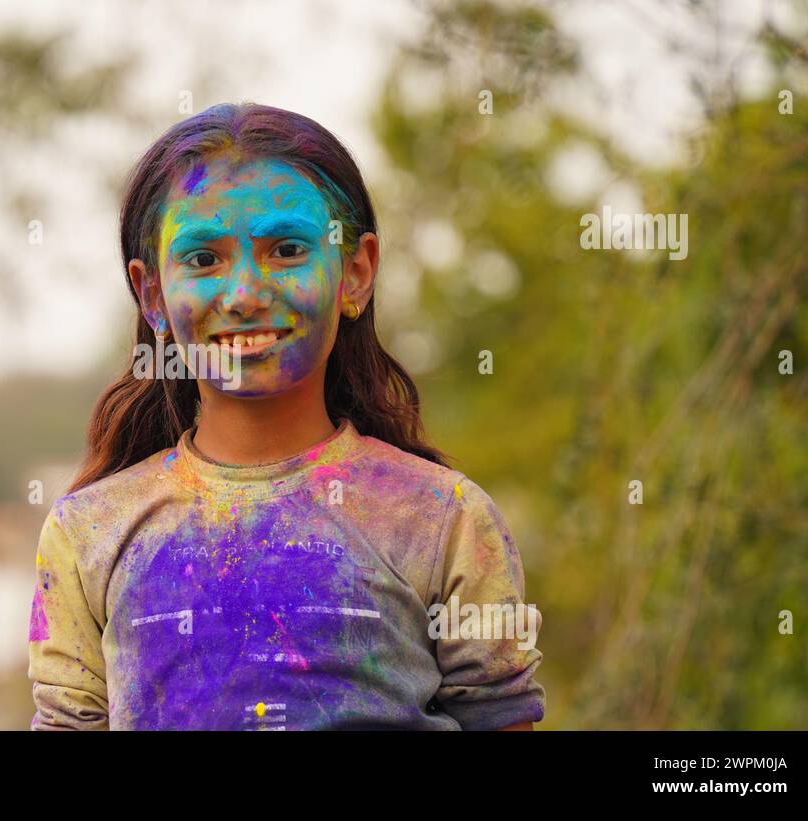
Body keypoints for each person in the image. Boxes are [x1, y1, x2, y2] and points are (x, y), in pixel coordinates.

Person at [27, 102, 545, 730]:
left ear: (356, 273)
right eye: (203, 259)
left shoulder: (443, 520)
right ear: (153, 296)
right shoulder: (89, 535)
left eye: (287, 249)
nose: (245, 294)